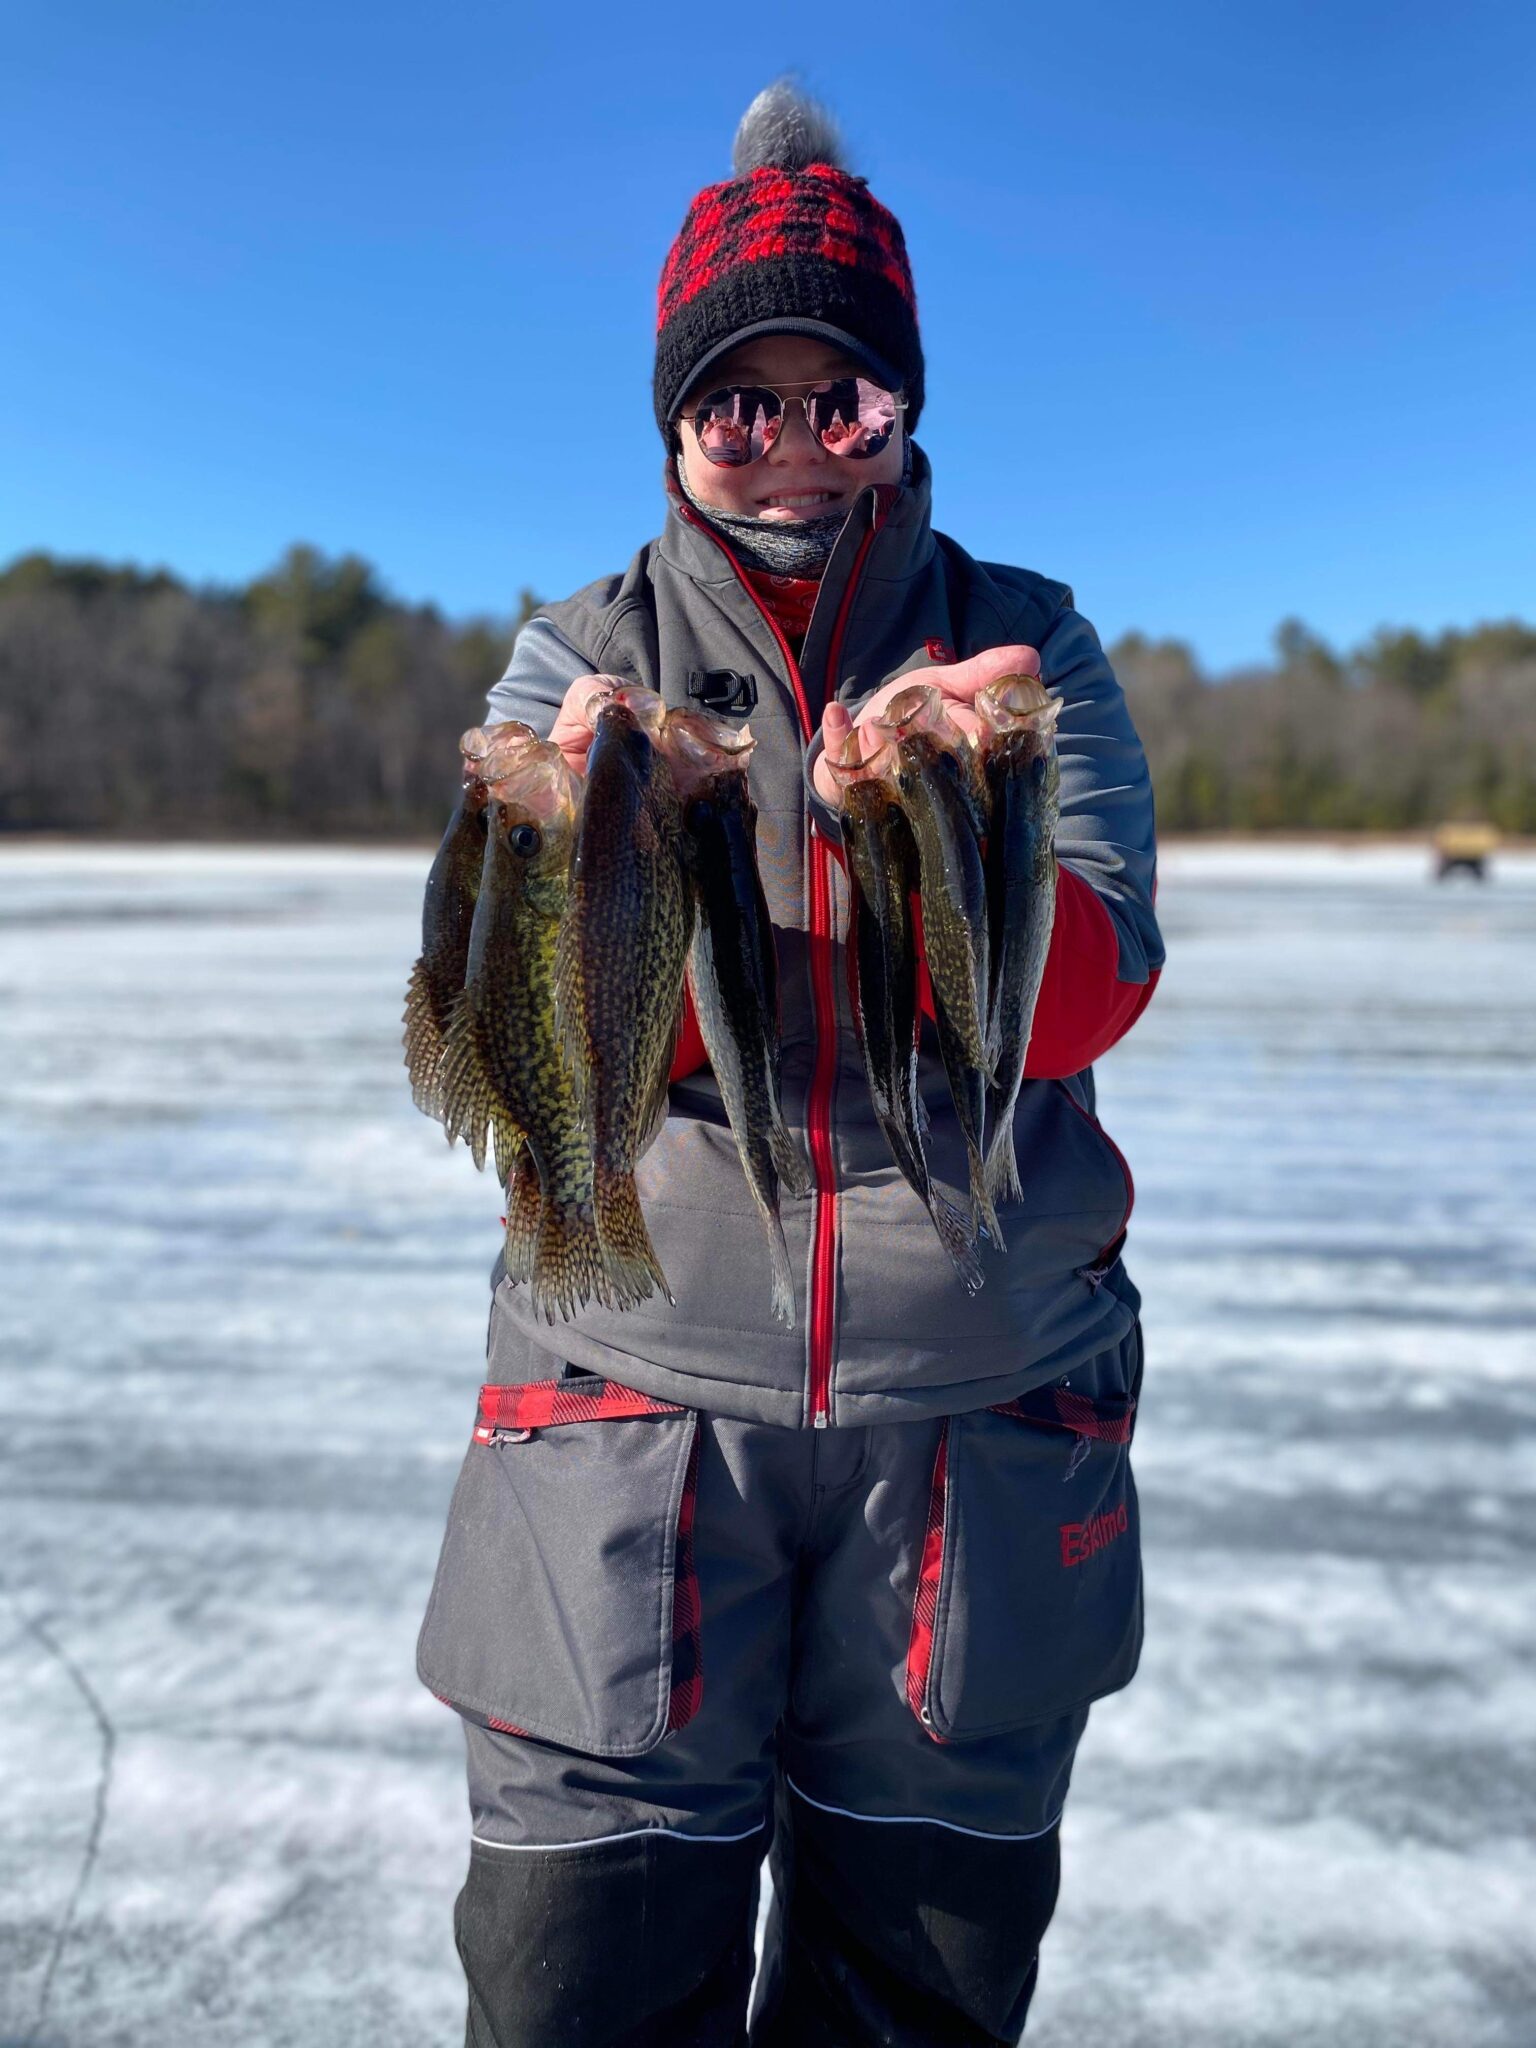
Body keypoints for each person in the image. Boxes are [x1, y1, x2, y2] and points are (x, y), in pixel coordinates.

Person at [417, 79, 1163, 2047]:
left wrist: (945, 799)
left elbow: (1085, 991)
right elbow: (523, 1021)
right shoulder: (567, 655)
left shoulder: (1030, 643)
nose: (787, 439)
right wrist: (607, 838)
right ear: (673, 418)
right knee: (580, 1981)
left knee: (911, 1992)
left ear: (901, 410)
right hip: (626, 1405)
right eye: (736, 394)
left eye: (839, 395)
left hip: (978, 1425)